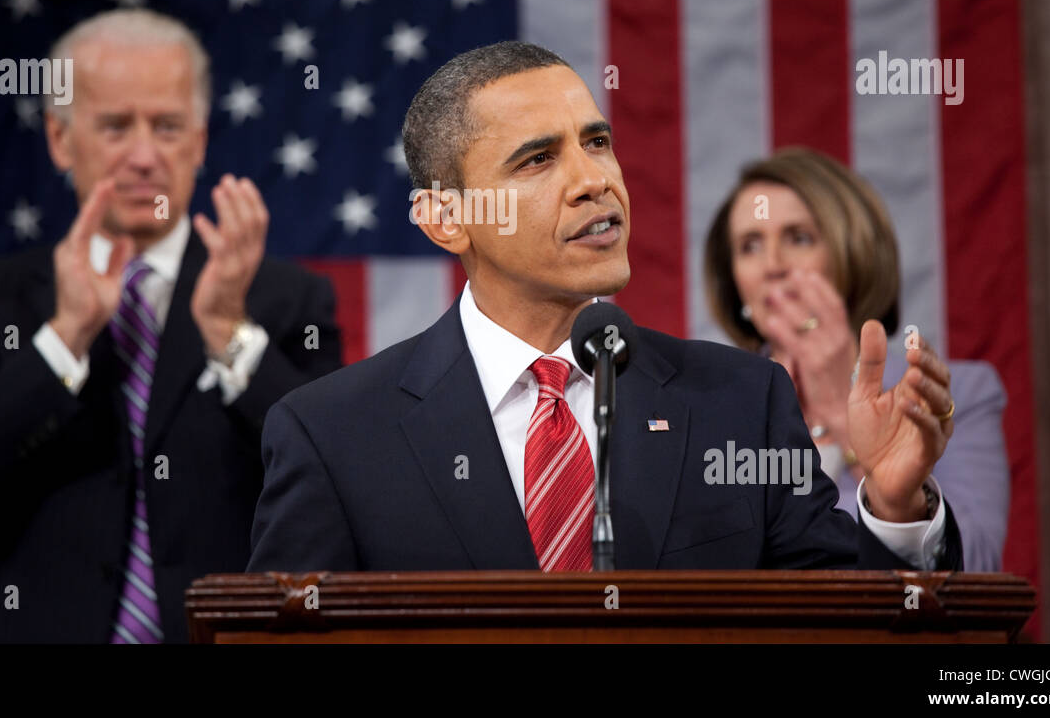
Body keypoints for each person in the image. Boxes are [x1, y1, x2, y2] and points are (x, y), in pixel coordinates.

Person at [248, 42, 963, 574]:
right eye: (538, 160)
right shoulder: (334, 437)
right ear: (446, 219)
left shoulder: (742, 403)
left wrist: (895, 510)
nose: (595, 181)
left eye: (597, 143)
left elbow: (837, 627)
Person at [0, 9, 342, 642]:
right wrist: (62, 340)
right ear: (59, 138)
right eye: (114, 126)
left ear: (200, 141)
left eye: (166, 127)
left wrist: (228, 332)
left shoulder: (284, 301)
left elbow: (339, 491)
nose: (143, 156)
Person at [703, 147, 1009, 570]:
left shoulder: (959, 394)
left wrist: (839, 413)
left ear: (854, 252)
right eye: (750, 245)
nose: (773, 266)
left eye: (798, 238)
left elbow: (975, 571)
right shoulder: (701, 407)